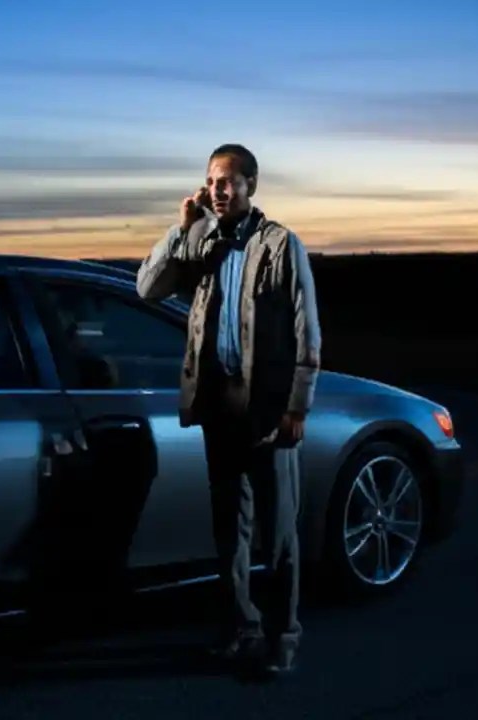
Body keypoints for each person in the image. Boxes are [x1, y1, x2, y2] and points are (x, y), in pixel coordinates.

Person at [135, 144, 321, 675]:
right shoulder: (202, 242)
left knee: (278, 534)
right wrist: (181, 229)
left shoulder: (282, 245)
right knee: (229, 530)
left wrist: (296, 407)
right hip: (219, 408)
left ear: (250, 186)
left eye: (229, 181)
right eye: (212, 180)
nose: (219, 189)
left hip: (266, 411)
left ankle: (284, 635)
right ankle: (242, 628)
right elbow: (147, 288)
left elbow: (308, 331)